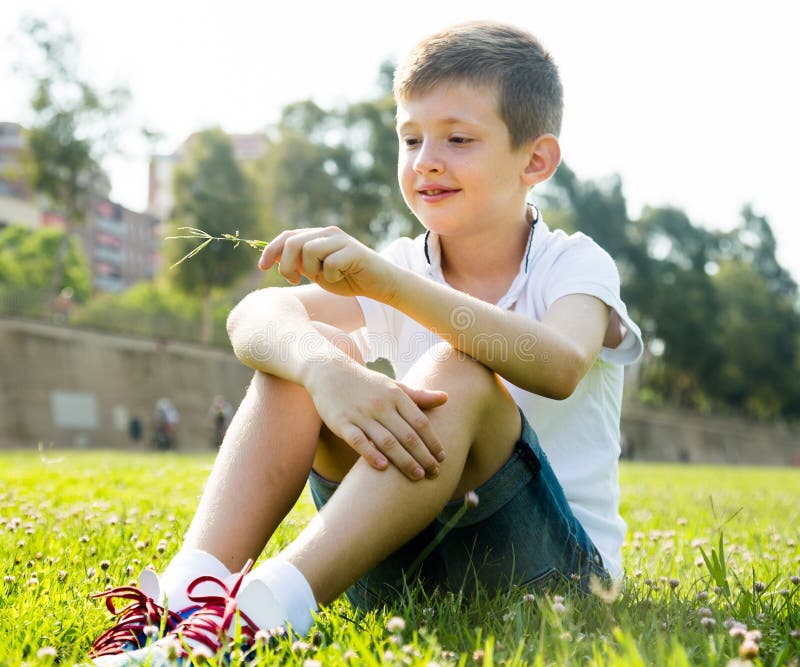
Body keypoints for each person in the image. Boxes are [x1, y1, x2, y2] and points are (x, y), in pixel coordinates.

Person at [88, 20, 642, 664]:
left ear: (535, 160)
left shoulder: (574, 265)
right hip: (397, 558)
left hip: (549, 574)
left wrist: (388, 284)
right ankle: (188, 601)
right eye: (410, 138)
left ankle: (259, 614)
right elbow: (255, 314)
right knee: (302, 348)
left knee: (458, 369)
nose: (426, 159)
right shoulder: (400, 263)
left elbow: (561, 365)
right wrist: (325, 370)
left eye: (458, 139)